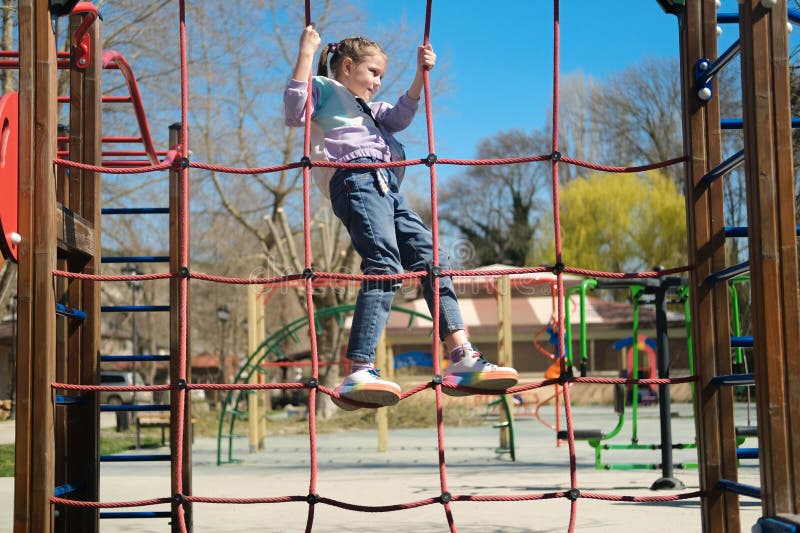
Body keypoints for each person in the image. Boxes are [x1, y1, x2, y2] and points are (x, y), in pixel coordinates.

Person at [284, 25, 518, 410]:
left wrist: (419, 76)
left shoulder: (372, 112)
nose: (377, 82)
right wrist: (306, 53)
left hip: (386, 187)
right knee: (384, 265)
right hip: (356, 180)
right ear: (346, 66)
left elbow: (402, 114)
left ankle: (461, 357)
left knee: (432, 262)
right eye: (373, 73)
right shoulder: (326, 91)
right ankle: (359, 366)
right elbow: (295, 112)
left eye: (381, 76)